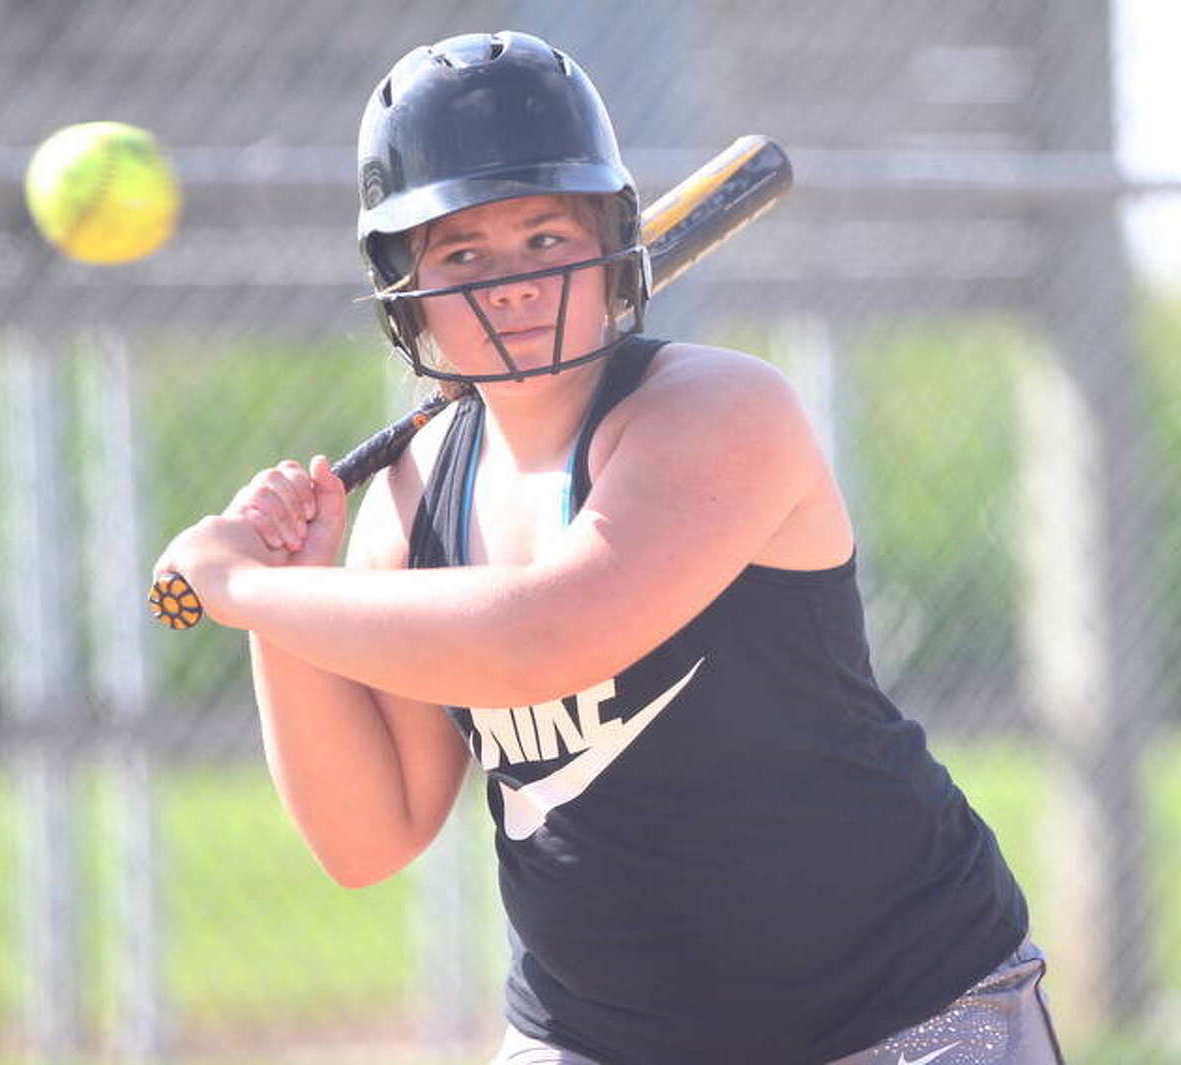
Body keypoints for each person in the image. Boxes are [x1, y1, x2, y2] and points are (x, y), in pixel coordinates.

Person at [153, 30, 1066, 1065]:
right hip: (597, 1036)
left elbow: (541, 636)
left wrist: (239, 589)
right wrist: (287, 593)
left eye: (545, 238)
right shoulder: (412, 504)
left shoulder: (717, 412)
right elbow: (369, 839)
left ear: (612, 249)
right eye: (462, 254)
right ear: (406, 294)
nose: (510, 285)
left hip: (898, 1008)